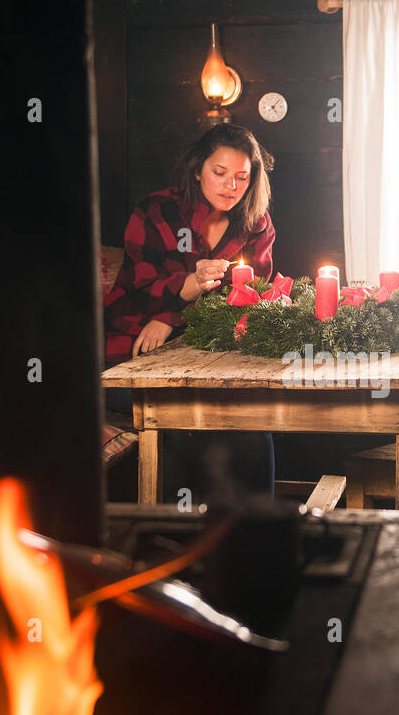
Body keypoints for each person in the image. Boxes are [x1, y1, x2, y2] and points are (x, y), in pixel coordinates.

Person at [103, 124, 276, 503]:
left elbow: (248, 304)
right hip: (132, 354)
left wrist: (171, 316)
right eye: (219, 173)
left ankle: (257, 531)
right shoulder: (156, 211)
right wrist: (188, 286)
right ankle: (172, 539)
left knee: (253, 426)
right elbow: (139, 293)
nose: (230, 186)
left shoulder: (255, 224)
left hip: (214, 361)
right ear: (198, 170)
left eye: (241, 177)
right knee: (180, 425)